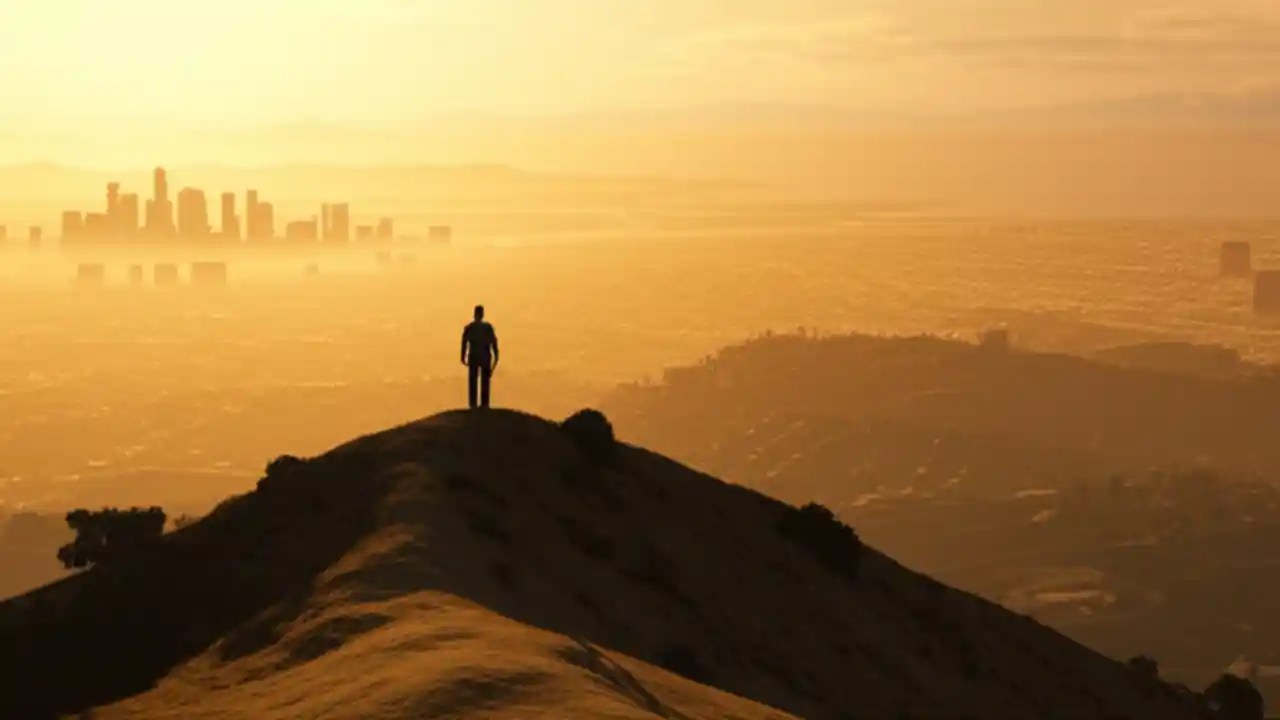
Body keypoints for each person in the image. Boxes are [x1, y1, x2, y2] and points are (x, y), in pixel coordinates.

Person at [461, 305, 499, 409]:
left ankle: (473, 404)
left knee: (473, 381)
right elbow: (494, 343)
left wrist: (463, 356)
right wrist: (496, 356)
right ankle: (484, 404)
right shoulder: (487, 328)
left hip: (474, 356)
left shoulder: (469, 327)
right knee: (484, 381)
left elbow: (464, 343)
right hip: (484, 356)